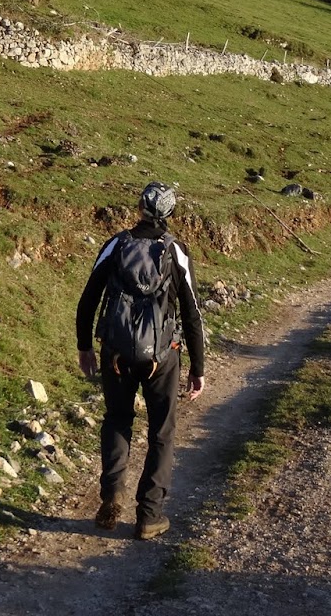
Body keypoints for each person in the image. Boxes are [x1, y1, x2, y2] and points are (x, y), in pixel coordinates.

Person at [76, 181, 206, 540]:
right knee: (161, 431)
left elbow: (88, 299)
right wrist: (198, 368)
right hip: (162, 355)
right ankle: (149, 515)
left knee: (117, 419)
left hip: (115, 352)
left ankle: (112, 492)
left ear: (139, 208)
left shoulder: (117, 244)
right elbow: (192, 313)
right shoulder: (176, 251)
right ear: (170, 214)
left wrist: (85, 346)